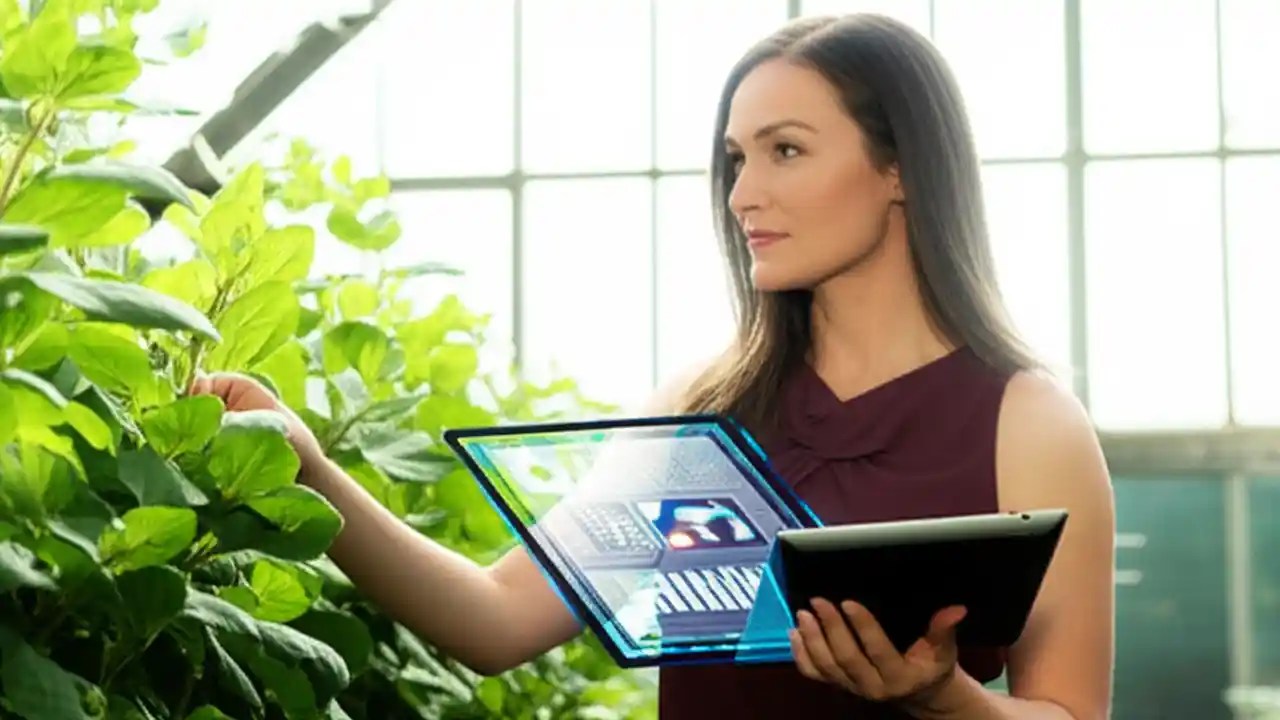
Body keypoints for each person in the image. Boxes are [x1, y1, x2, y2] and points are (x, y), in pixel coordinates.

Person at [191, 13, 1114, 720]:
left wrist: (945, 700)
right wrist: (306, 466)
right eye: (736, 159)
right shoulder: (703, 406)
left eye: (787, 151)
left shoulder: (1030, 424)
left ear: (900, 167)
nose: (743, 194)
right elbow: (495, 620)